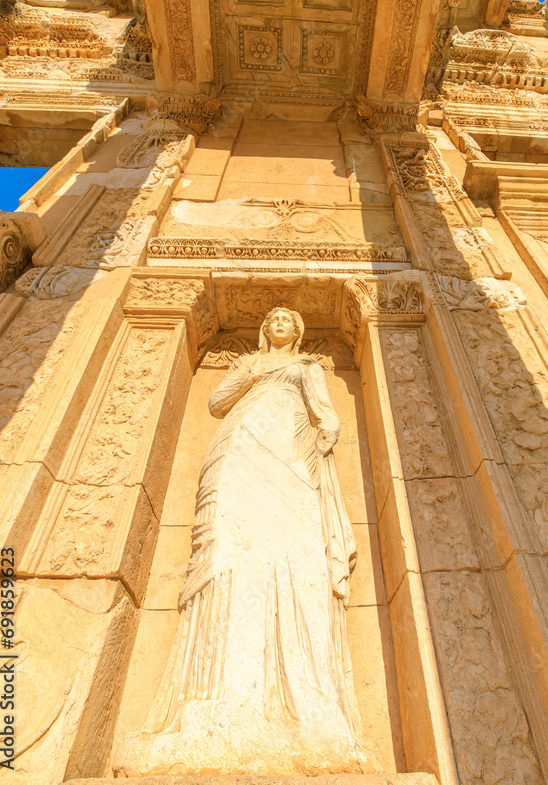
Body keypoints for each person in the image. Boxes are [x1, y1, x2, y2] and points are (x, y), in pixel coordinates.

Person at [114, 307, 380, 777]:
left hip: (289, 453)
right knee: (226, 551)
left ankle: (303, 697)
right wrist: (246, 371)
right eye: (273, 318)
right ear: (264, 328)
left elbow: (328, 418)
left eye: (287, 319)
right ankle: (212, 692)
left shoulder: (305, 368)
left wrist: (324, 437)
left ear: (297, 332)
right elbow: (217, 402)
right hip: (237, 446)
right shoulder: (250, 365)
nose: (279, 321)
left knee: (294, 554)